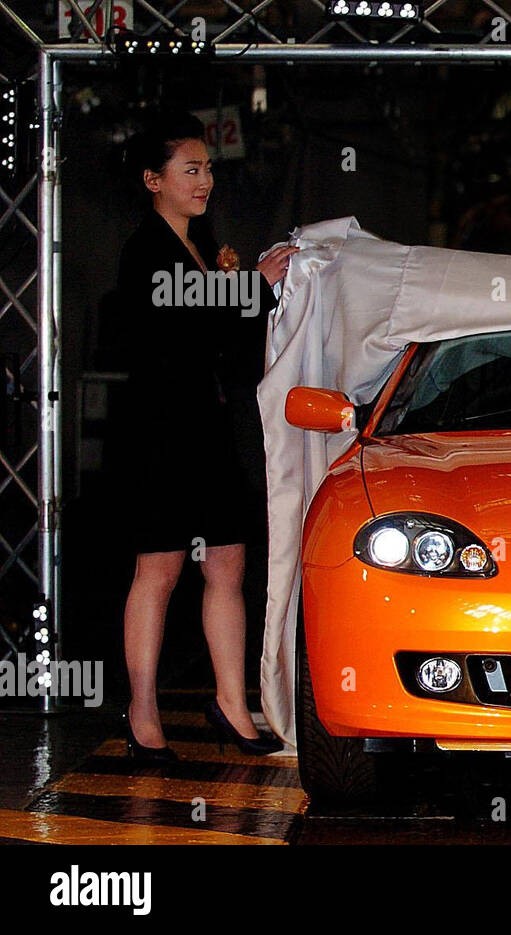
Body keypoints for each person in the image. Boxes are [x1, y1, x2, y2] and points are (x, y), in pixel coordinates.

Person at [116, 112, 299, 760]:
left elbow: (222, 335)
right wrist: (248, 287)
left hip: (210, 428)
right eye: (190, 169)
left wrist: (244, 287)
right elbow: (178, 324)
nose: (205, 180)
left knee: (227, 560)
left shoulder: (201, 246)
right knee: (160, 568)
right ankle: (141, 711)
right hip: (163, 434)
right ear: (152, 180)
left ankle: (230, 701)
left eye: (208, 168)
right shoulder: (146, 252)